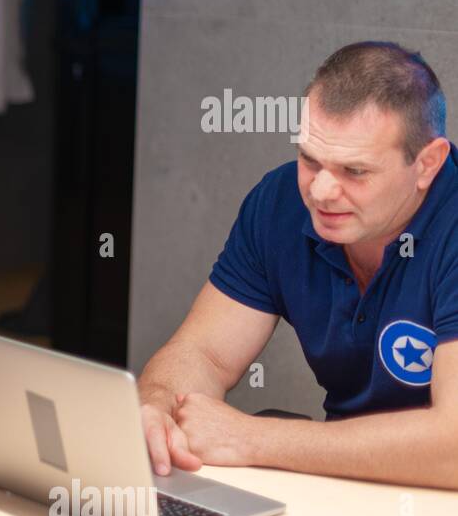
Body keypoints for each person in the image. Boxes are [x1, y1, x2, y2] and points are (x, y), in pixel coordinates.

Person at [138, 41, 458, 490]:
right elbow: (204, 354)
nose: (322, 191)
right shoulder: (281, 203)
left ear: (428, 164)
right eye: (310, 159)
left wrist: (252, 438)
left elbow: (453, 446)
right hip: (343, 487)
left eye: (355, 171)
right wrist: (157, 405)